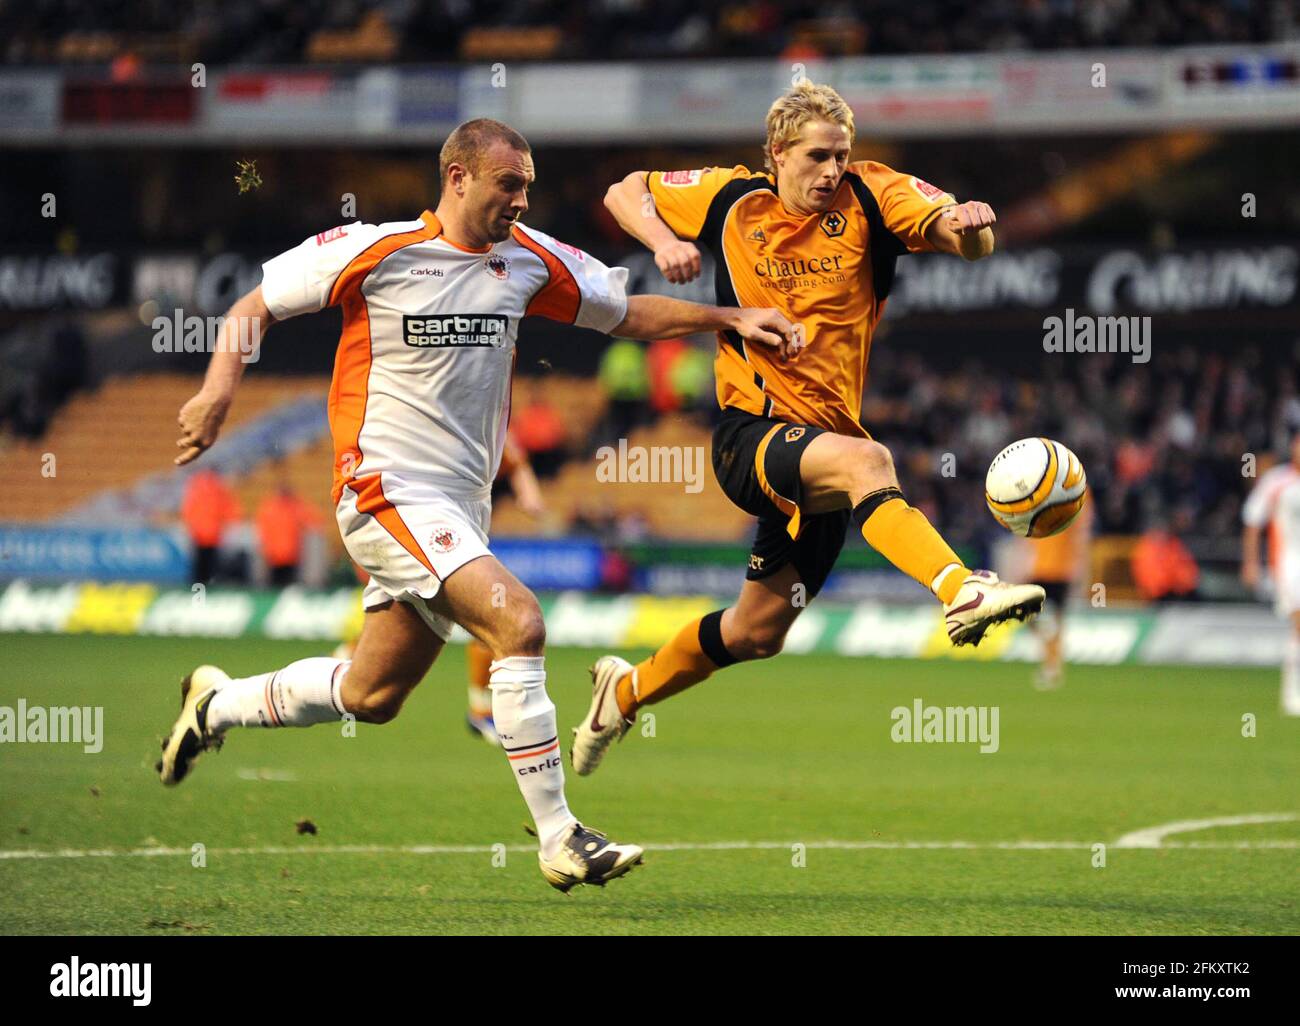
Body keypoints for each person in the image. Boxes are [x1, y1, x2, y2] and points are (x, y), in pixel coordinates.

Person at [158, 116, 796, 891]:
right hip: (382, 487)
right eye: (509, 184)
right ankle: (561, 835)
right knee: (519, 623)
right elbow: (252, 308)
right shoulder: (378, 249)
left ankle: (215, 704)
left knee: (374, 693)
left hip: (458, 509)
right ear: (458, 177)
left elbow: (626, 312)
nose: (522, 201)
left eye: (527, 186)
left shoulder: (528, 261)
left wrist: (729, 320)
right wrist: (218, 392)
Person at [572, 80, 1044, 775]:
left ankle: (626, 690)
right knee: (869, 462)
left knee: (757, 632)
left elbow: (960, 239)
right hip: (750, 436)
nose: (832, 171)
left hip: (819, 449)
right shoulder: (731, 198)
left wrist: (973, 232)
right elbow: (624, 190)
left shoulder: (872, 196)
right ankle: (962, 589)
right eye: (818, 156)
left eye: (841, 157)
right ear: (777, 153)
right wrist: (662, 239)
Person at [1241, 433, 1300, 715]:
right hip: (1290, 565)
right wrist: (1251, 563)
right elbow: (1253, 520)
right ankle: (1292, 695)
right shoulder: (1277, 482)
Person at [1027, 491, 1093, 690]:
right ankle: (1050, 659)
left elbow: (1082, 532)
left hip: (1062, 570)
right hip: (1039, 568)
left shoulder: (1078, 493)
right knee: (1032, 618)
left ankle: (1052, 666)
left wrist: (1082, 568)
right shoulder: (1038, 490)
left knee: (1056, 619)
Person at [255, 478, 325, 586]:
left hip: (291, 557)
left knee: (288, 587)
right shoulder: (270, 508)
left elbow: (314, 523)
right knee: (276, 586)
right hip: (274, 557)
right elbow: (263, 533)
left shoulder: (296, 506)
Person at [180, 468, 242, 585]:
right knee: (210, 566)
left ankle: (198, 593)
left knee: (200, 566)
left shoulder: (196, 489)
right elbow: (229, 510)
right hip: (213, 534)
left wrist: (190, 527)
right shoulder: (219, 490)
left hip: (201, 534)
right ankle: (207, 589)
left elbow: (189, 511)